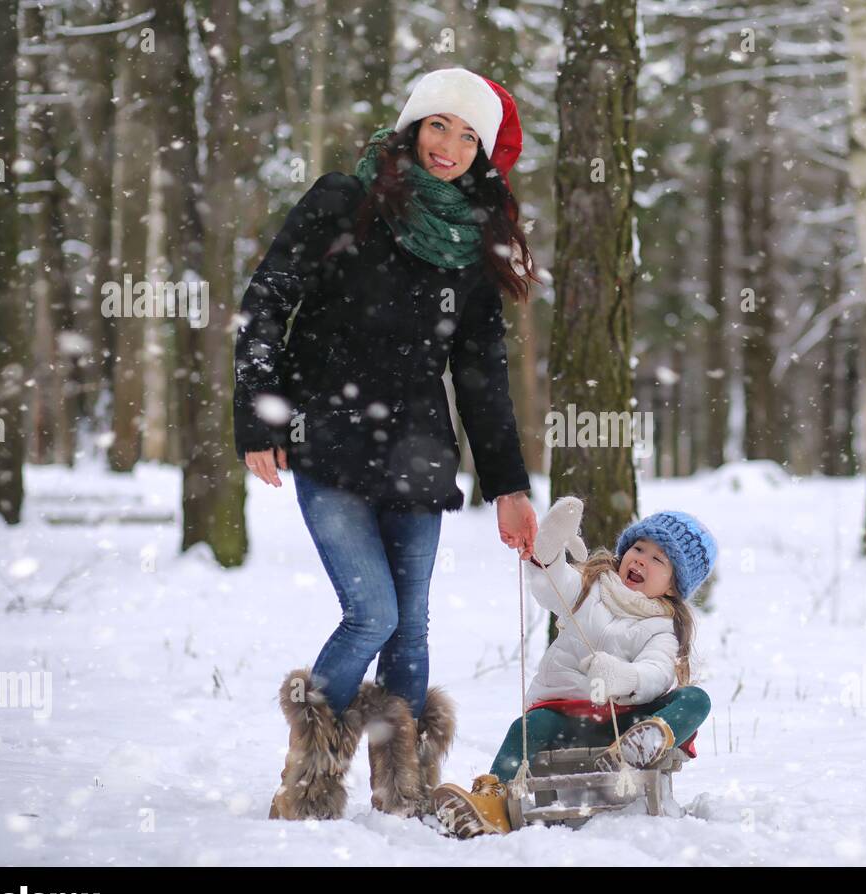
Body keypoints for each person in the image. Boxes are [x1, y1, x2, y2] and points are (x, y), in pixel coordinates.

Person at [234, 67, 540, 821]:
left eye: (470, 136)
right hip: (329, 436)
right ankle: (308, 780)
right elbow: (267, 302)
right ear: (411, 126)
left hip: (419, 451)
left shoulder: (474, 242)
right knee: (369, 612)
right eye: (440, 125)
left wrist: (509, 485)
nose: (450, 146)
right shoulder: (345, 198)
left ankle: (402, 793)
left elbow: (481, 376)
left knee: (411, 623)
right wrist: (258, 417)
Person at [432, 498, 717, 838]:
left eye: (658, 559)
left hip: (625, 723)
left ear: (673, 586)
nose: (641, 559)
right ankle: (493, 801)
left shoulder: (662, 624)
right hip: (569, 718)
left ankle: (647, 741)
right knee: (528, 726)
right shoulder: (591, 587)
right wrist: (549, 553)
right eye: (638, 548)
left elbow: (658, 673)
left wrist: (626, 678)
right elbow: (552, 585)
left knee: (696, 699)